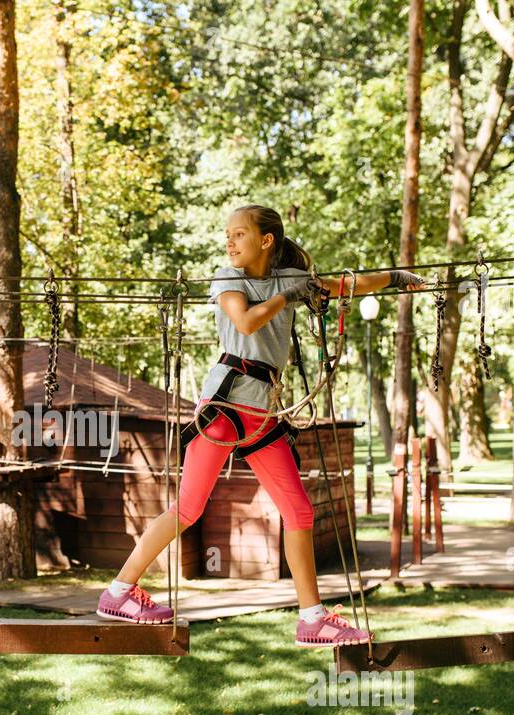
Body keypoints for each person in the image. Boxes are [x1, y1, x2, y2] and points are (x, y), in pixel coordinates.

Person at [95, 204, 423, 646]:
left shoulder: (288, 279)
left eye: (239, 234)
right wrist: (290, 296)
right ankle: (118, 592)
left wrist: (397, 279)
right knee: (188, 509)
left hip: (262, 413)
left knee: (299, 512)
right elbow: (247, 321)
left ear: (265, 241)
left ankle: (312, 618)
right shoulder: (229, 279)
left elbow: (346, 284)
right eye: (227, 234)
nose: (229, 242)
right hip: (227, 405)